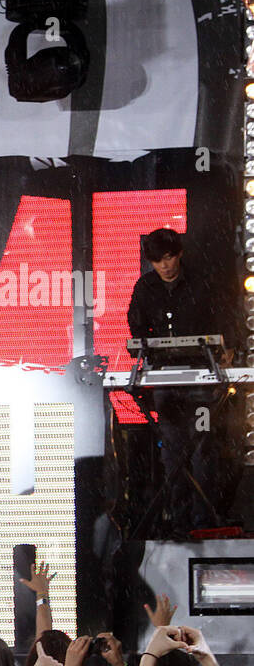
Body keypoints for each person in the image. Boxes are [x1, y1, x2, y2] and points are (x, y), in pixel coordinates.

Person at [126, 227, 241, 534]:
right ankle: (179, 521)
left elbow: (225, 317)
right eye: (158, 260)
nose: (165, 266)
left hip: (201, 381)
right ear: (150, 261)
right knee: (172, 452)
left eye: (169, 257)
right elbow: (136, 326)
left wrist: (227, 347)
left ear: (179, 254)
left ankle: (204, 521)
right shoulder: (145, 287)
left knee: (204, 450)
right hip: (167, 381)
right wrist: (146, 350)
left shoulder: (201, 282)